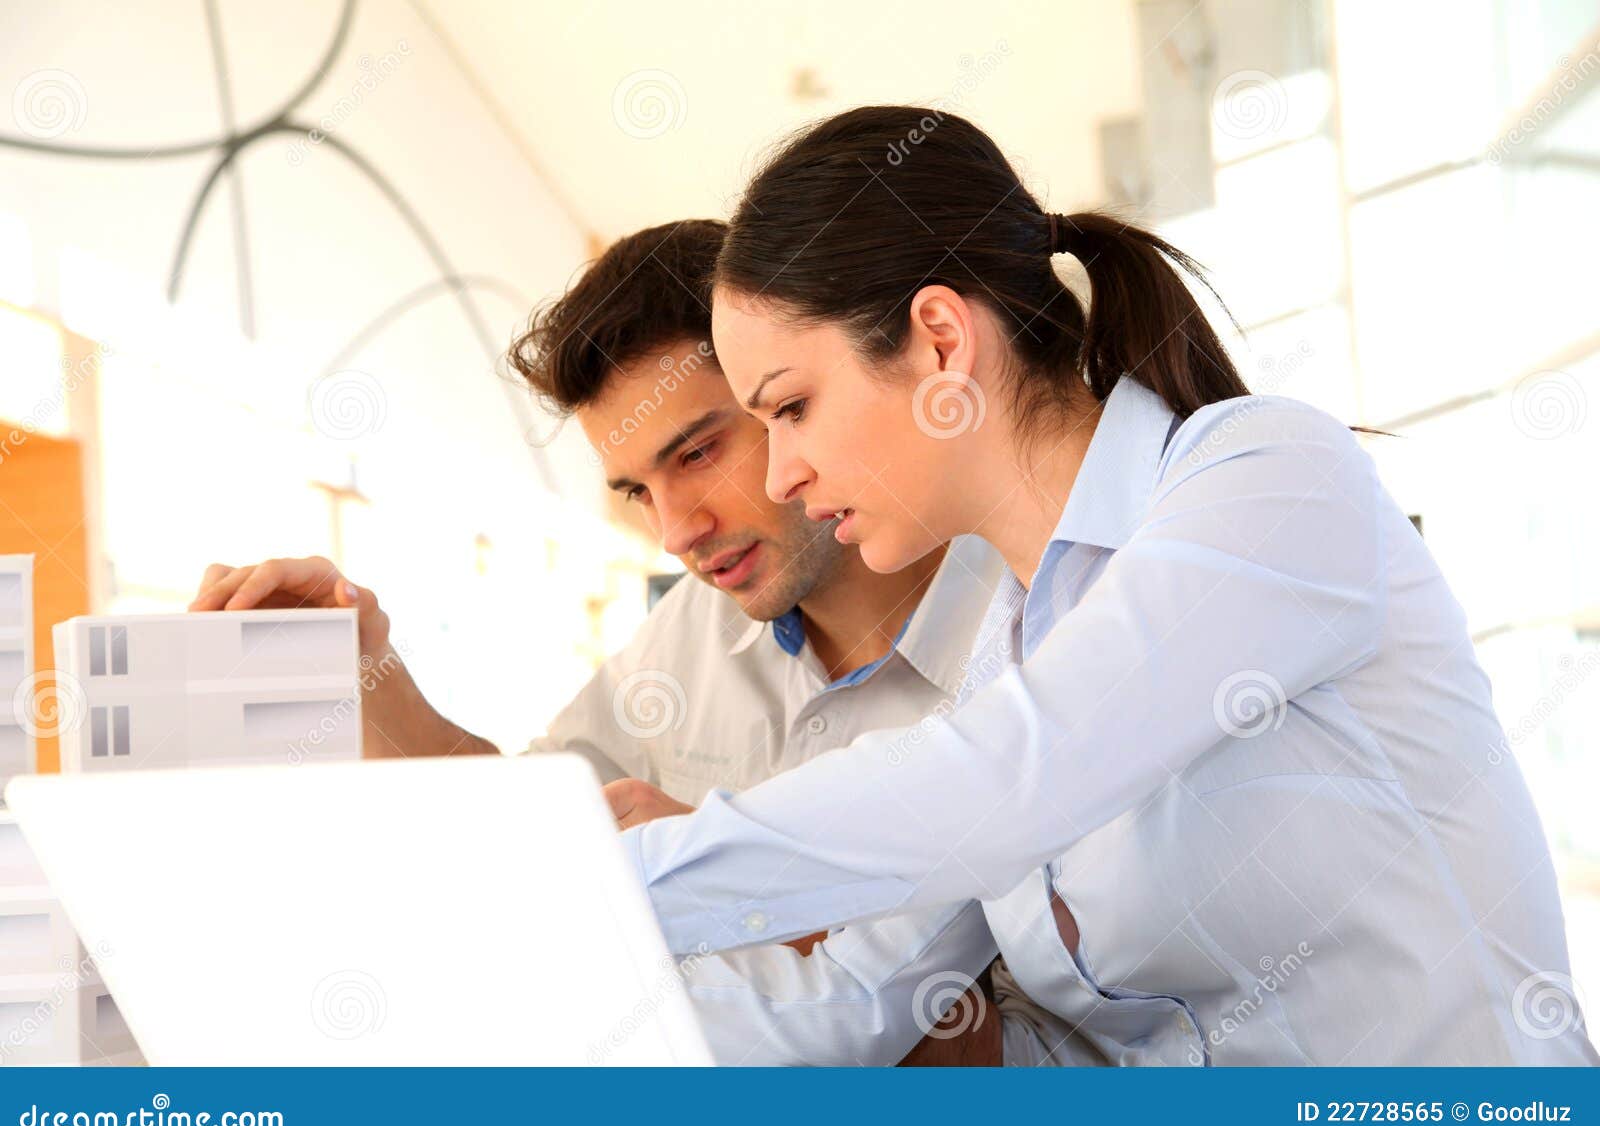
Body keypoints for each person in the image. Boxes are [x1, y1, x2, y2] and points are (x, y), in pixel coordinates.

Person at [616, 107, 1599, 1066]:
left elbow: (1000, 780)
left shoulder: (1270, 477)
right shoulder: (1002, 668)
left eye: (791, 405)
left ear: (941, 342)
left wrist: (594, 880)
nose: (779, 472)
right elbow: (841, 1005)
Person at [189, 219, 1050, 1065]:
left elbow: (996, 1046)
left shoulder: (1031, 631)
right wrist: (370, 678)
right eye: (638, 490)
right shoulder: (699, 623)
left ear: (785, 395)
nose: (676, 530)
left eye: (700, 452)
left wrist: (724, 871)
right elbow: (534, 817)